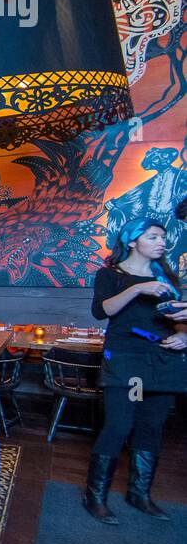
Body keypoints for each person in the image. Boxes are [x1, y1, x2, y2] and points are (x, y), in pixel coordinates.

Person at [84, 219, 187, 524]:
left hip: (164, 360)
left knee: (152, 425)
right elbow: (103, 310)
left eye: (163, 238)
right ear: (131, 241)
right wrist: (139, 287)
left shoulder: (166, 276)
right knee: (121, 424)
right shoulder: (111, 274)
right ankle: (95, 496)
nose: (161, 242)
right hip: (130, 363)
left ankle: (139, 494)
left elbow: (177, 316)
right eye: (153, 236)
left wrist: (183, 333)